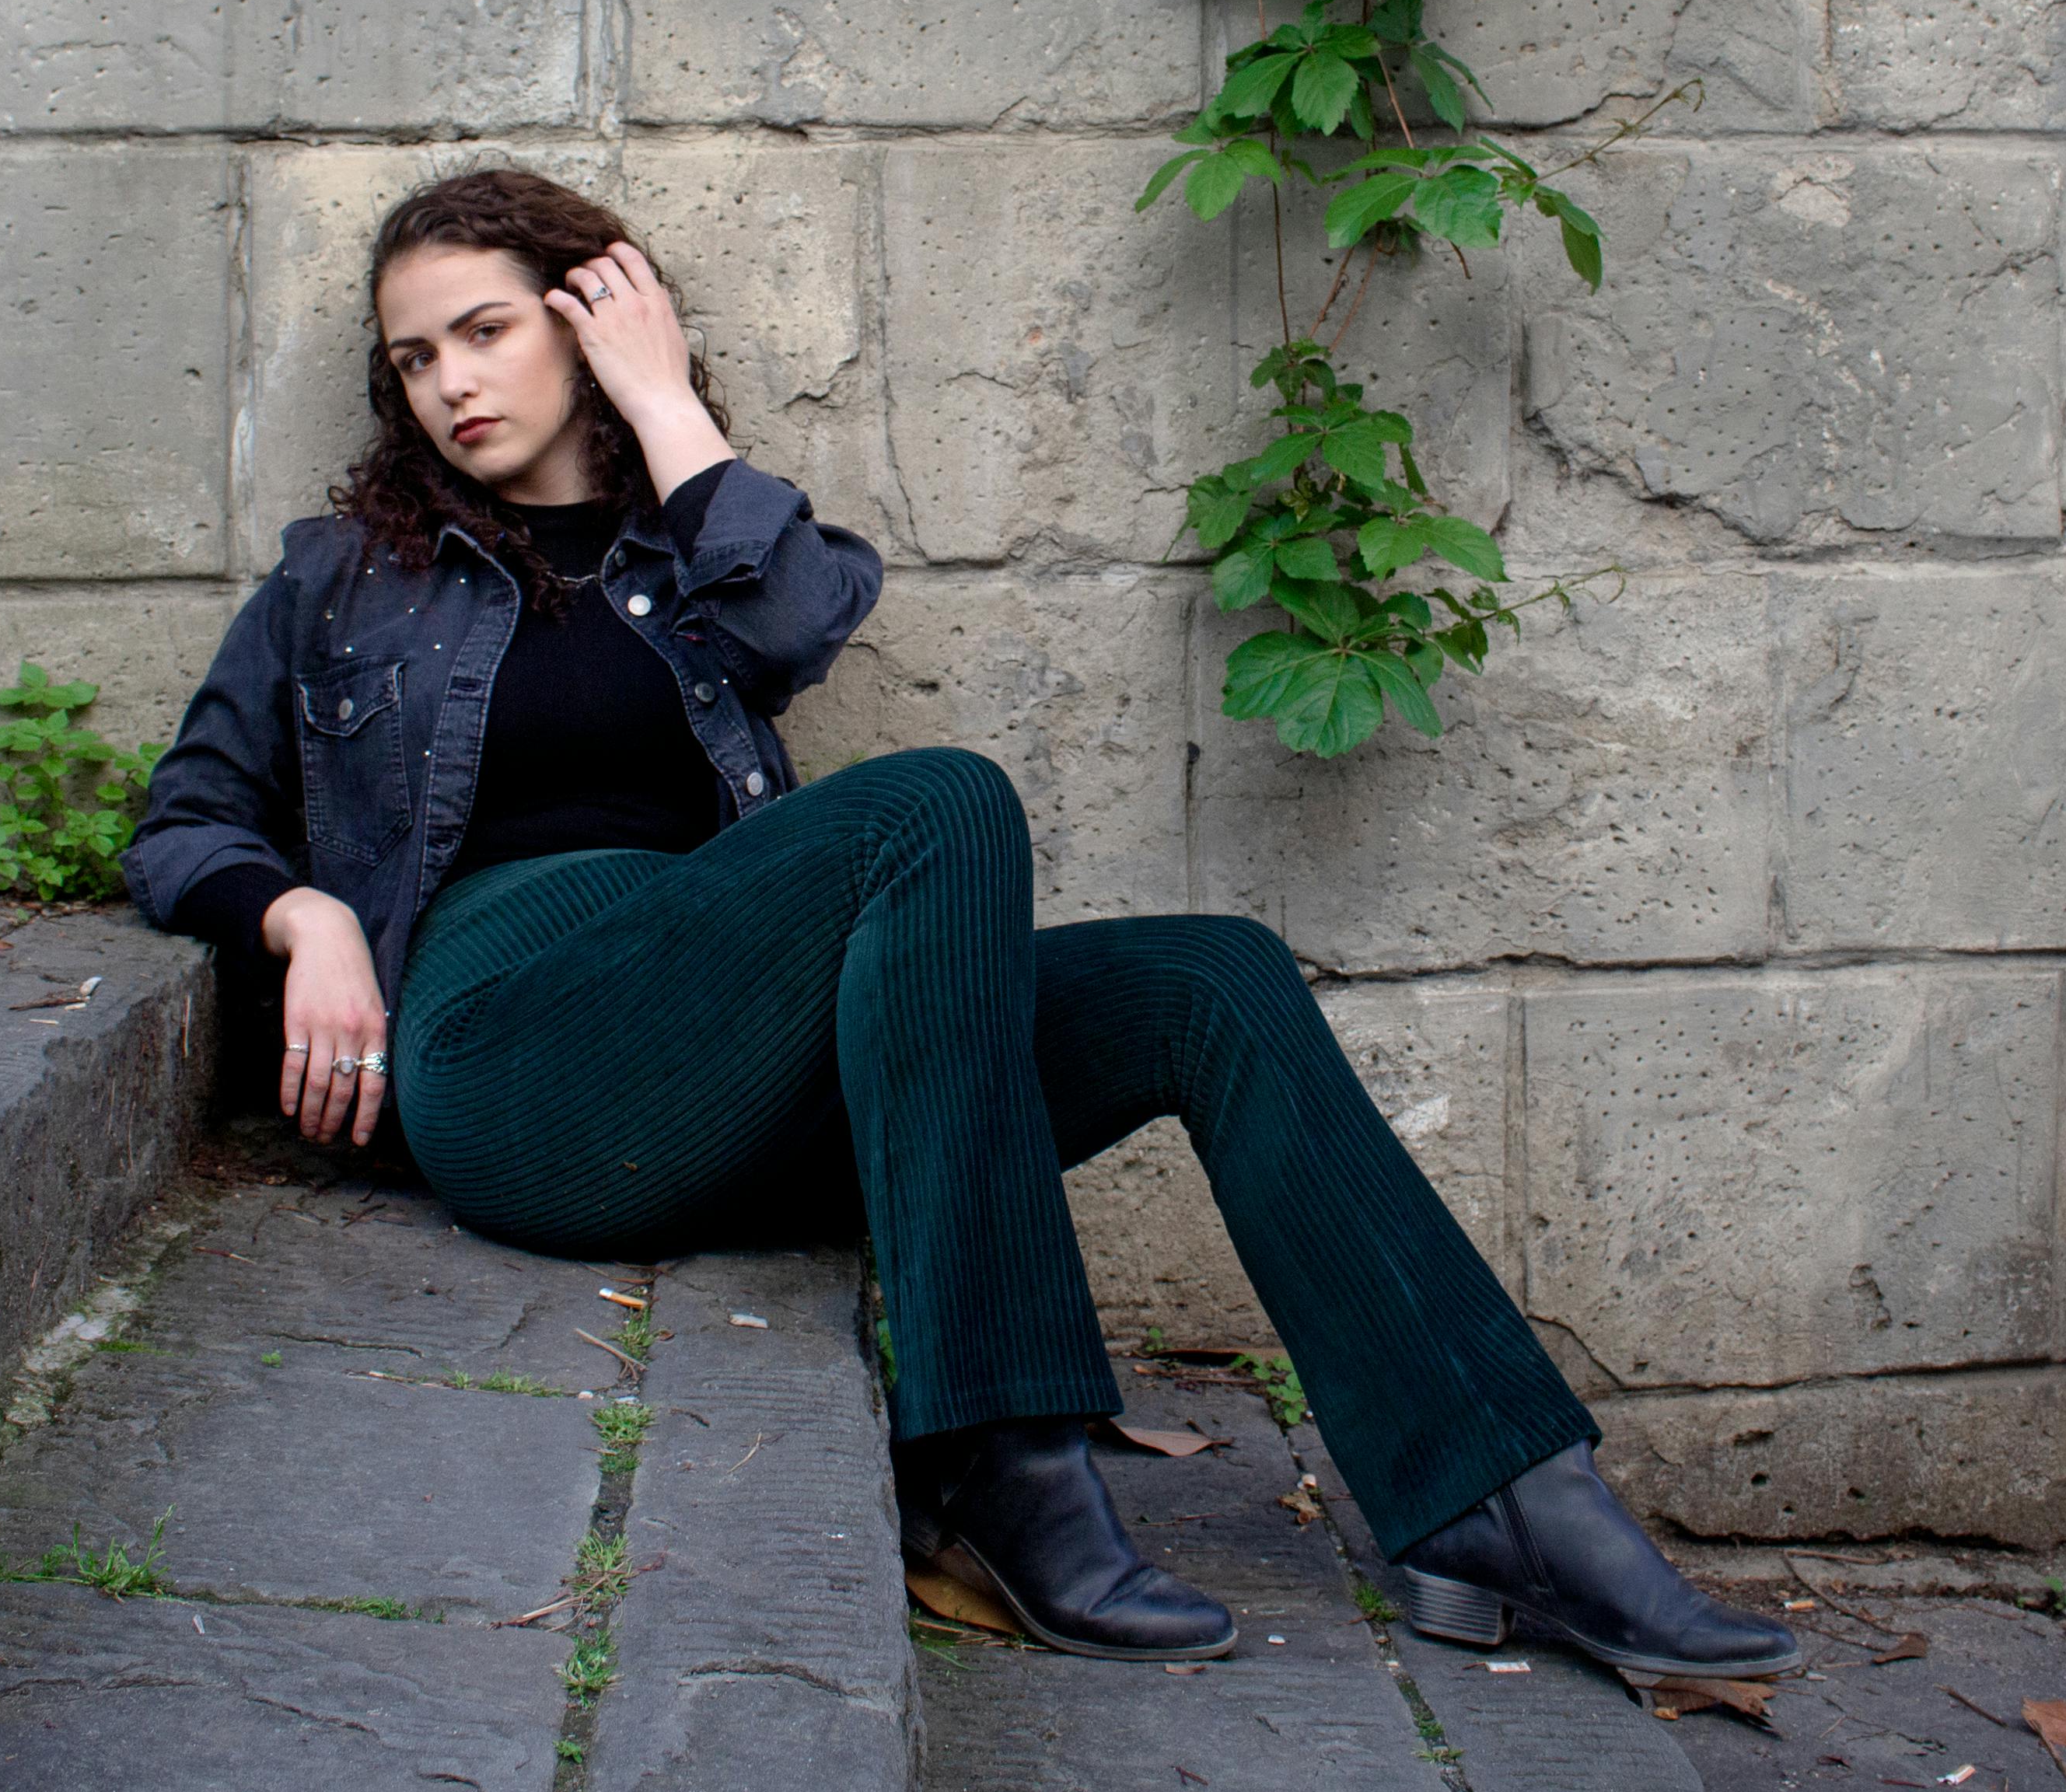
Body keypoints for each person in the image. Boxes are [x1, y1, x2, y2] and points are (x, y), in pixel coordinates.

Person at [126, 169, 1798, 1678]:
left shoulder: (690, 554)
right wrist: (306, 922)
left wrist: (659, 399)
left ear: (584, 313)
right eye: (414, 358)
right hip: (518, 1049)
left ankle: (1501, 1503)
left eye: (485, 331)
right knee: (936, 802)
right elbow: (185, 815)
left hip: (731, 1043)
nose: (450, 384)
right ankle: (995, 1457)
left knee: (1210, 978)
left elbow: (802, 613)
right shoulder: (344, 575)